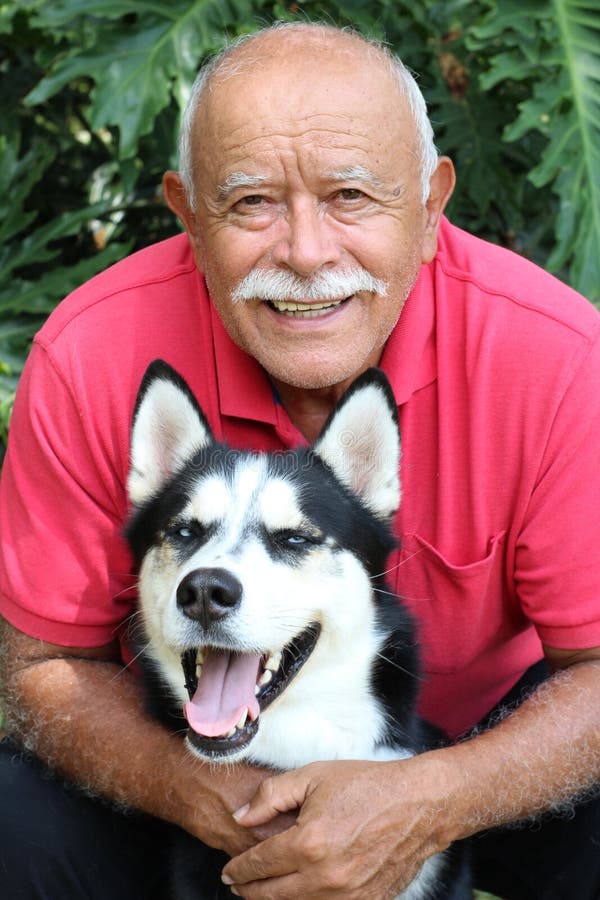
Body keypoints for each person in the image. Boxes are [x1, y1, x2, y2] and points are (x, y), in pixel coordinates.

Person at [0, 21, 599, 900]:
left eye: (351, 196)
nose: (307, 253)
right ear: (187, 214)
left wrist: (431, 797)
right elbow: (38, 667)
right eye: (250, 204)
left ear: (432, 208)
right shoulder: (93, 354)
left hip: (490, 737)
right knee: (16, 817)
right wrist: (220, 797)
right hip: (193, 734)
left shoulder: (555, 361)